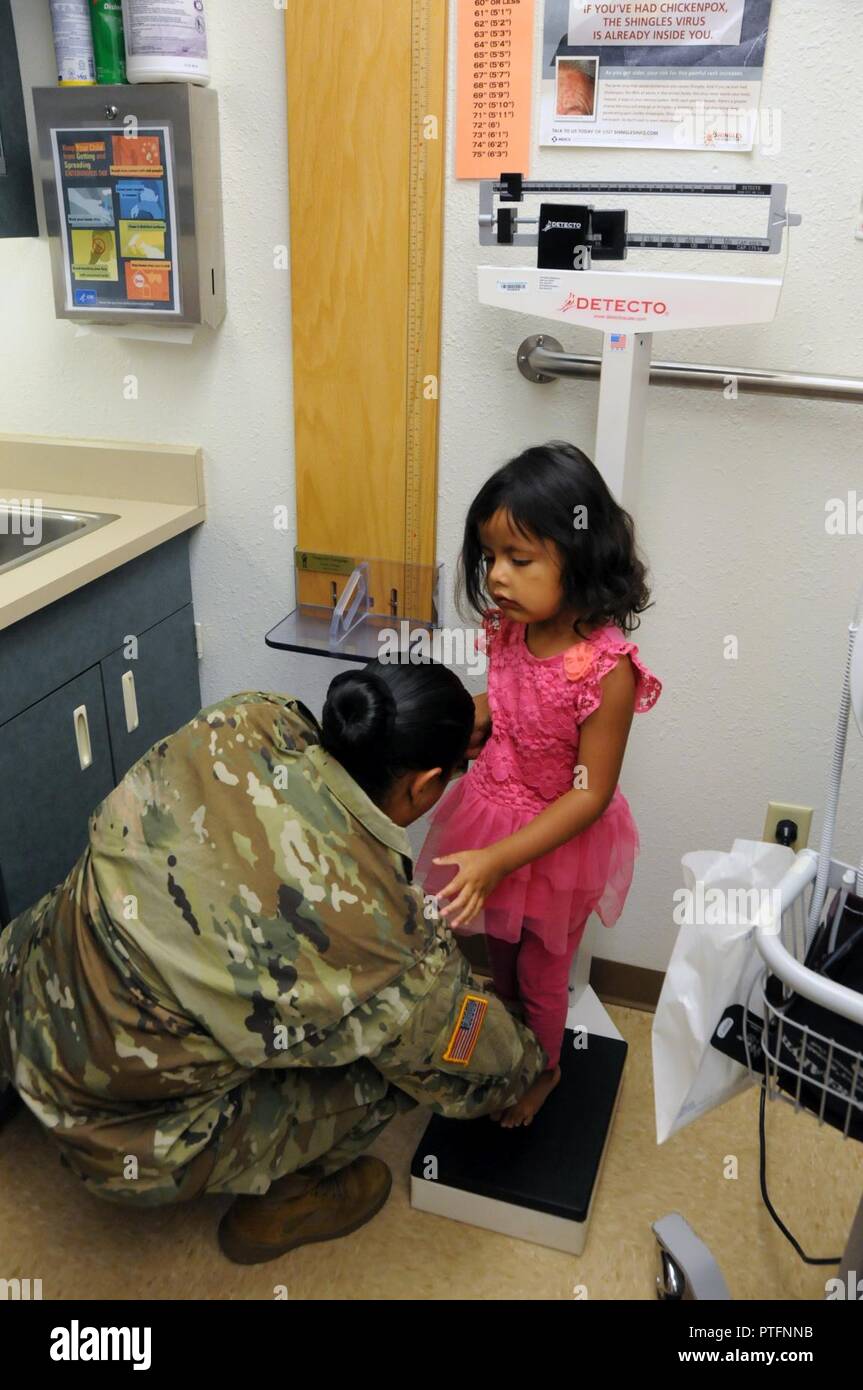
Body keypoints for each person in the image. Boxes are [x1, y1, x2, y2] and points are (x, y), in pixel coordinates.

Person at [0, 663, 546, 1265]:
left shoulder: (250, 717)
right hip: (119, 1142)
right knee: (397, 1065)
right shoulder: (384, 932)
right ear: (425, 786)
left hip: (27, 981)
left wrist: (437, 716)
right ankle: (284, 1207)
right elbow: (475, 1052)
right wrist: (531, 1066)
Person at [417, 442, 663, 1126]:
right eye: (489, 558)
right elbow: (507, 697)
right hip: (492, 811)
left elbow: (590, 792)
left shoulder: (604, 668)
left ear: (578, 557)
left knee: (541, 971)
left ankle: (545, 1070)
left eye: (518, 560)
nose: (496, 577)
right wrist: (467, 721)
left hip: (554, 841)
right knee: (499, 955)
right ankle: (511, 1050)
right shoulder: (510, 630)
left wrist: (500, 858)